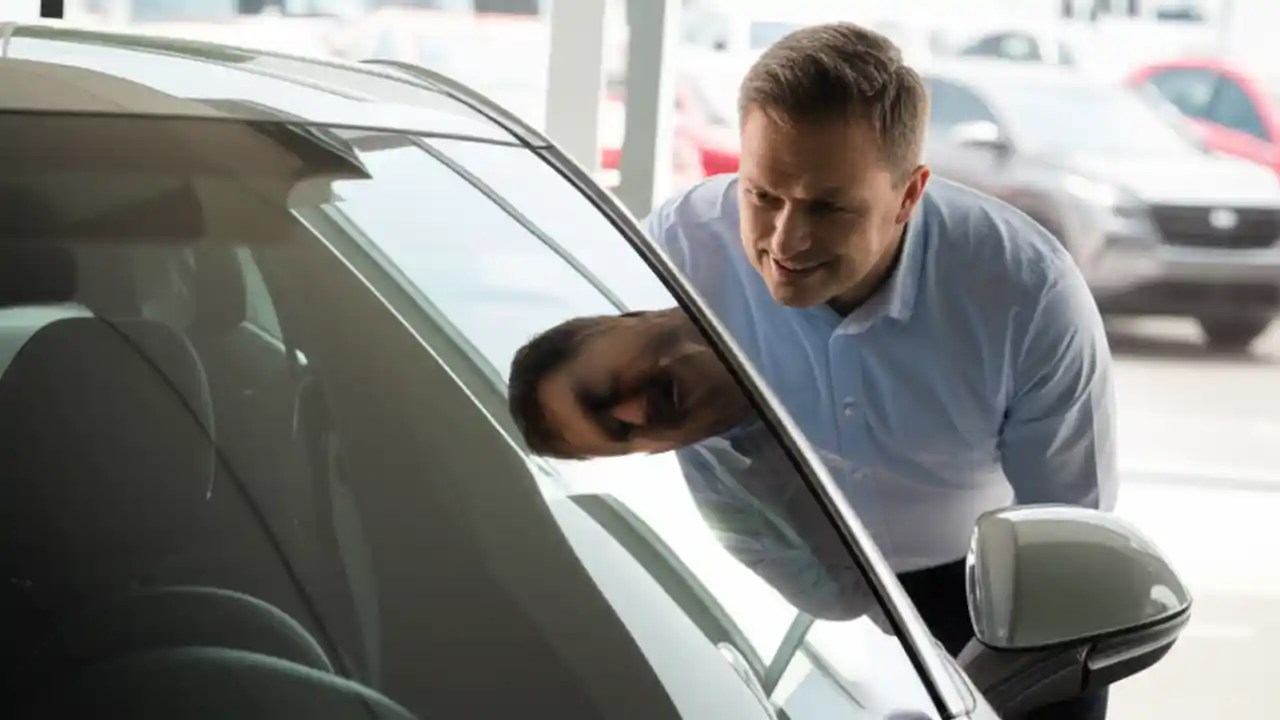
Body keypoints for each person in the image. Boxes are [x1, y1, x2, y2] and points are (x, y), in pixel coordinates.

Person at [515, 21, 1116, 719]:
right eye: (761, 194)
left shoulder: (1024, 292)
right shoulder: (677, 252)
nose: (784, 241)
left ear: (909, 195)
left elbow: (1071, 545)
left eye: (828, 207)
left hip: (999, 600)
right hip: (808, 616)